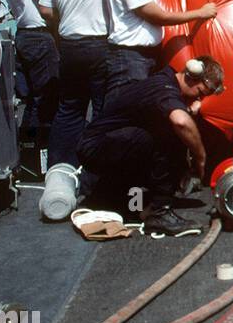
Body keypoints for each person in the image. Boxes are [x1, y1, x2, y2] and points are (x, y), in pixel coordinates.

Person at [77, 57, 225, 236]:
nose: (199, 98)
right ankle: (159, 212)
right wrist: (200, 158)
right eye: (200, 92)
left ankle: (133, 206)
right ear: (192, 76)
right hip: (95, 148)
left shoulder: (166, 80)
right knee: (163, 138)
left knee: (153, 138)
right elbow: (181, 122)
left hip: (109, 144)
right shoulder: (164, 89)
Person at [37, 0, 115, 169]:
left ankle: (60, 168)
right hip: (101, 44)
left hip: (70, 47)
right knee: (103, 108)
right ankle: (100, 168)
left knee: (69, 109)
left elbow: (45, 11)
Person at [0, 0, 59, 144]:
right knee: (48, 94)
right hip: (39, 37)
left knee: (32, 97)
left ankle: (29, 146)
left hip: (23, 36)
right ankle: (46, 146)